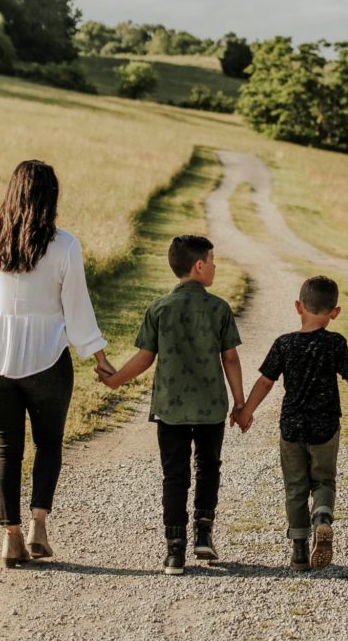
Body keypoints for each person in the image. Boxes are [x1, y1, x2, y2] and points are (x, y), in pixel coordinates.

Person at [0, 159, 115, 569]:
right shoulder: (64, 245)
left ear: (12, 192)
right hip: (47, 358)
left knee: (6, 449)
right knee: (48, 443)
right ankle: (38, 528)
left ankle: (10, 538)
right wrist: (98, 356)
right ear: (51, 197)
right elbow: (78, 309)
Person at [99, 234, 243, 575]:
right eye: (212, 261)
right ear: (198, 266)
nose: (215, 267)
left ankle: (174, 552)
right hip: (211, 408)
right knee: (208, 467)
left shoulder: (159, 308)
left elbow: (145, 358)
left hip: (170, 410)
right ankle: (203, 535)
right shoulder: (219, 308)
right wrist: (240, 402)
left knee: (174, 476)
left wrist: (114, 379)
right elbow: (231, 358)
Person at [232, 276, 348, 572]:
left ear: (298, 307)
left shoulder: (285, 344)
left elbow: (265, 382)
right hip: (325, 427)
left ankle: (298, 552)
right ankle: (322, 517)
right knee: (324, 481)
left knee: (295, 488)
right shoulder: (335, 343)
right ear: (335, 312)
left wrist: (246, 411)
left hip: (291, 428)